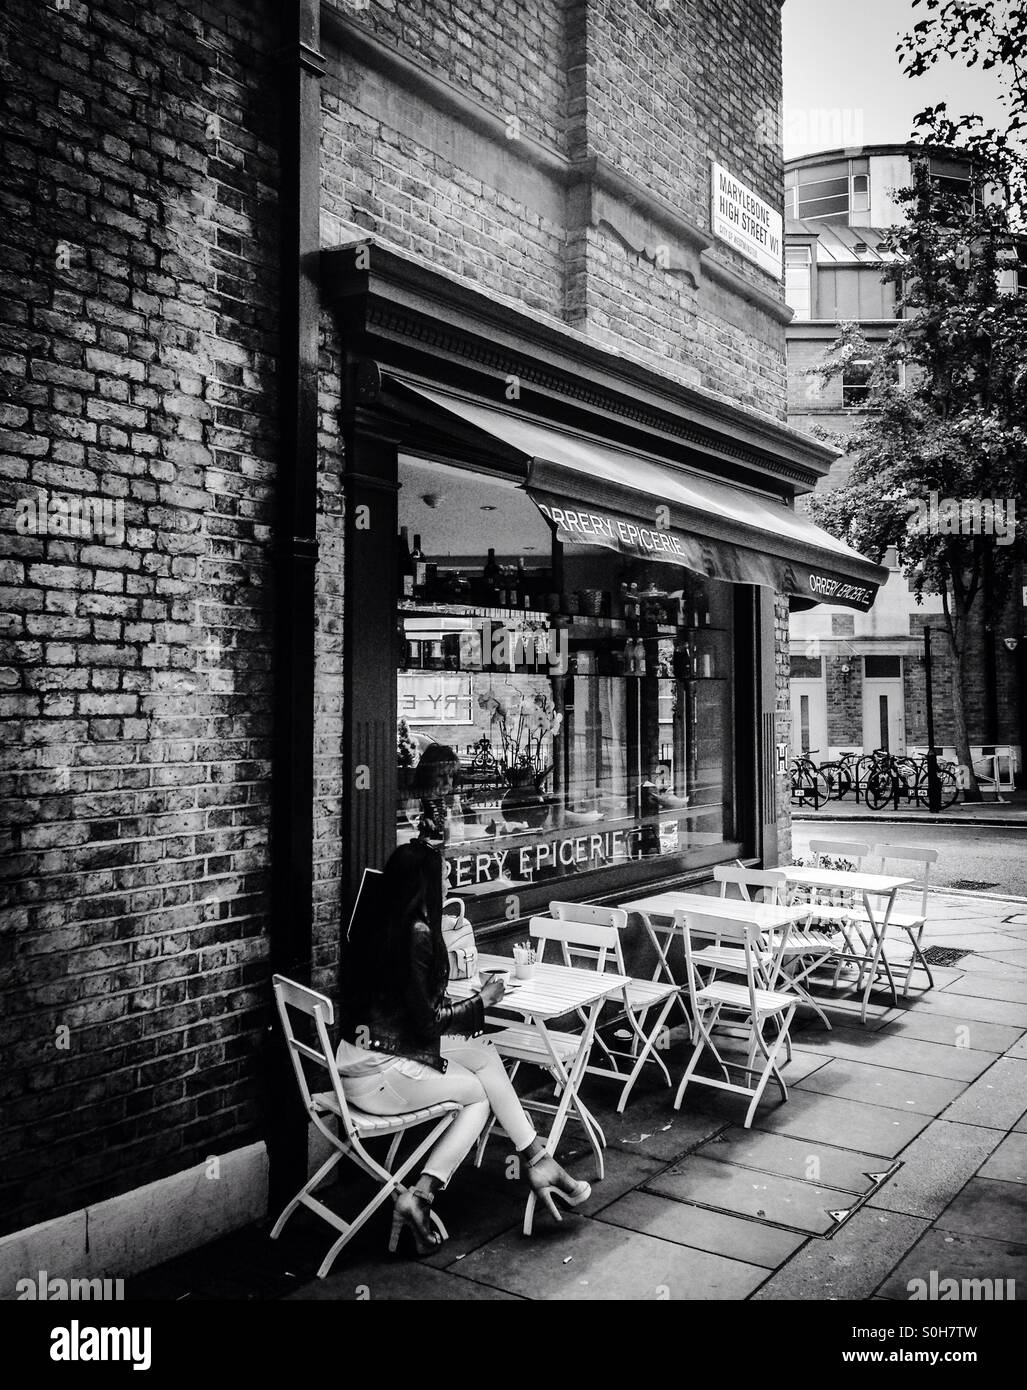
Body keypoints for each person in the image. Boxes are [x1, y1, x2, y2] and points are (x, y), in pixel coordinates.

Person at [337, 839, 590, 1255]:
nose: (451, 878)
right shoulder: (417, 934)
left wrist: (464, 1004)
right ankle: (420, 1195)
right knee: (478, 1097)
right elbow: (429, 1022)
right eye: (443, 873)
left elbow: (414, 1014)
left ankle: (538, 1159)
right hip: (380, 1075)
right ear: (424, 884)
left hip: (364, 1056)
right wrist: (483, 1001)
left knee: (482, 1052)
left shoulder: (379, 921)